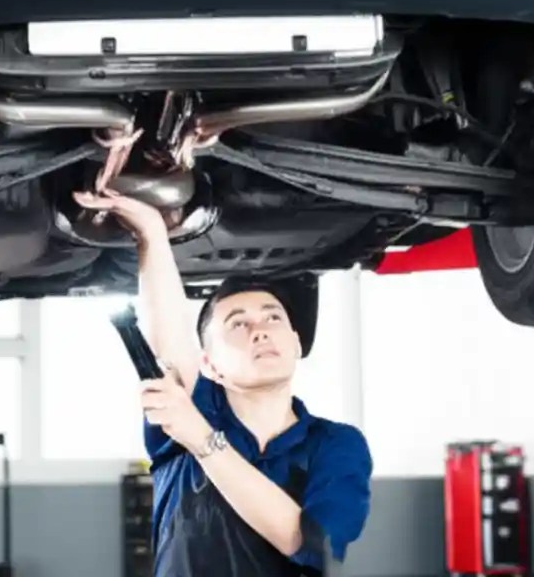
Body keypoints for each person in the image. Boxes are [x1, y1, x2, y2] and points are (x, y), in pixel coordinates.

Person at [76, 189, 374, 577]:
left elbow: (311, 543)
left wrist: (202, 440)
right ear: (210, 365)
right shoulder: (189, 414)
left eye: (273, 317)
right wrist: (151, 232)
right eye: (238, 324)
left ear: (297, 343)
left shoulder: (337, 445)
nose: (260, 331)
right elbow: (169, 339)